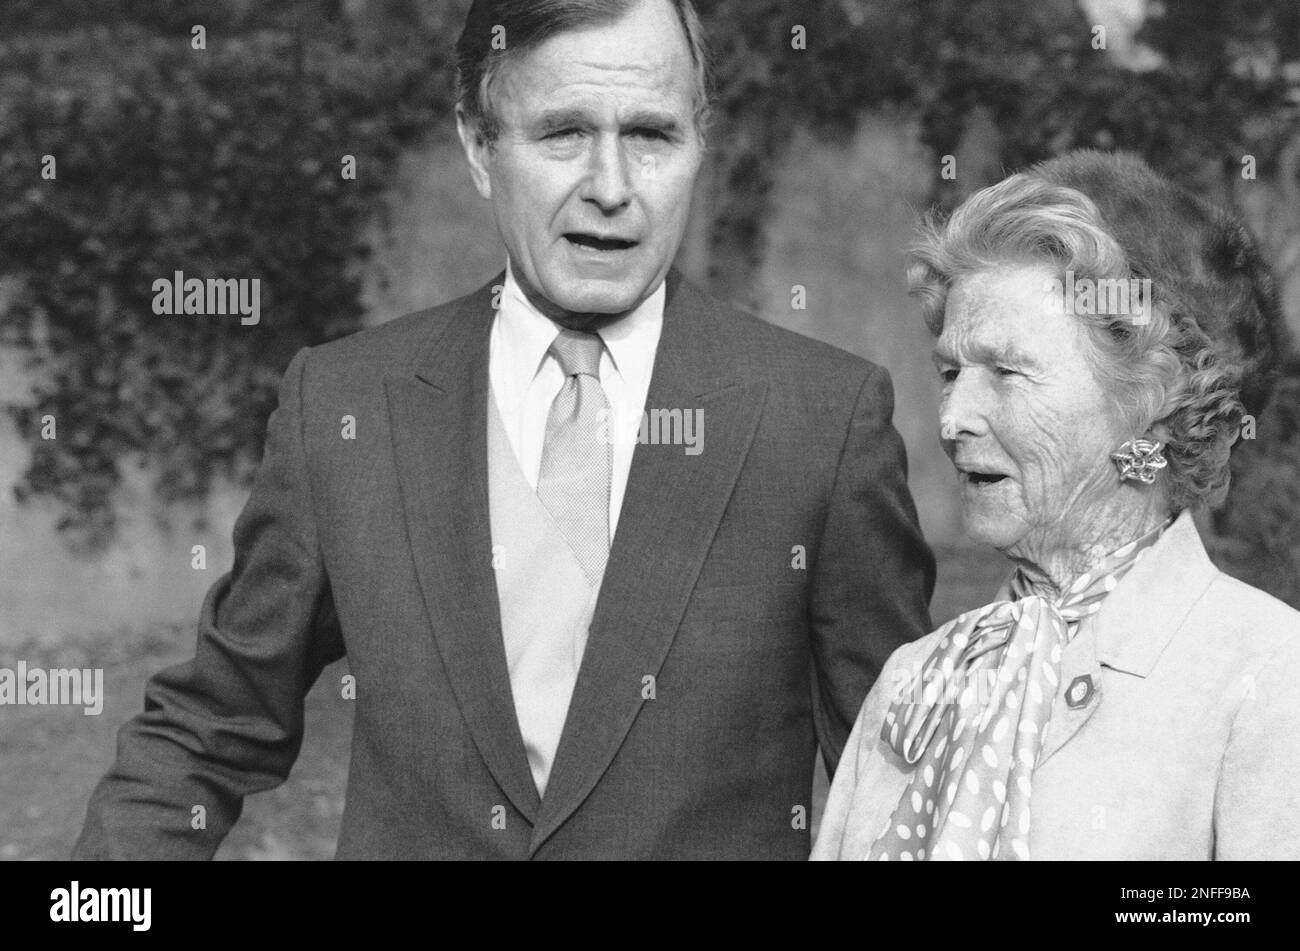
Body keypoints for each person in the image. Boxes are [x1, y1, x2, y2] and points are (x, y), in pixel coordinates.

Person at [74, 0, 934, 860]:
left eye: (652, 135)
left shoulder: (821, 421)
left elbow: (905, 788)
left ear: (699, 146)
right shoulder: (342, 408)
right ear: (479, 148)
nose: (610, 186)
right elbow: (208, 728)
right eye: (563, 133)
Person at [813, 150, 1300, 861]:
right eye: (951, 371)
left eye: (1006, 372)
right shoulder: (916, 675)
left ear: (1144, 407)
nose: (952, 417)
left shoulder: (1267, 670)